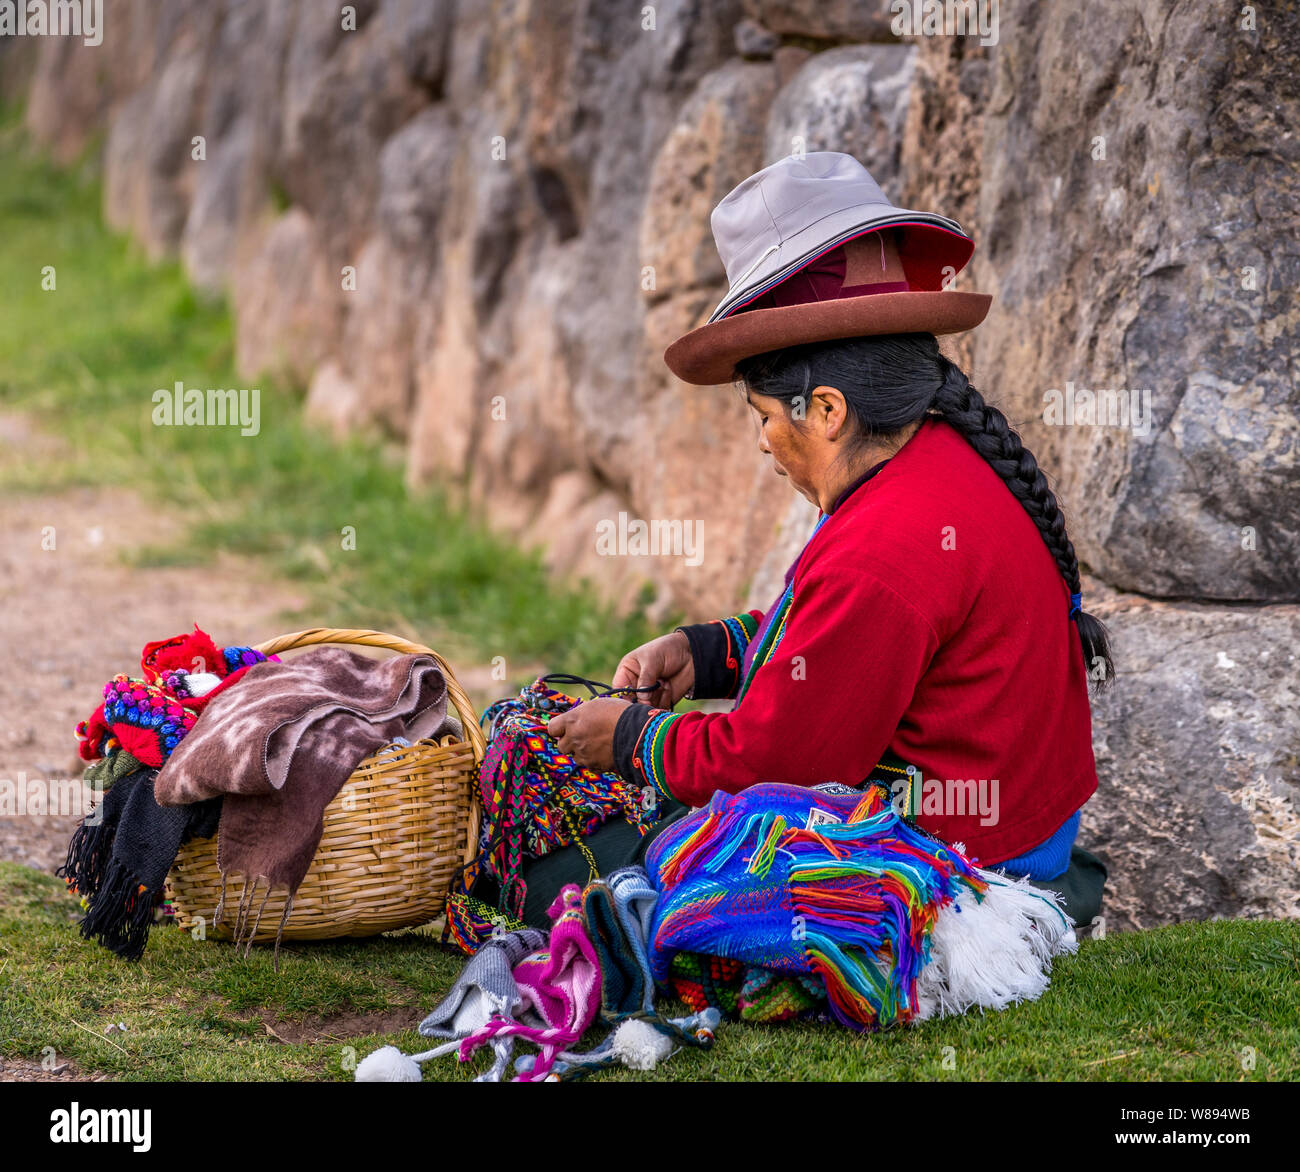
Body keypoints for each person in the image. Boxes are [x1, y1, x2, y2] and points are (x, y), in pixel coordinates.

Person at [541, 151, 1109, 927]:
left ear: (828, 411)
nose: (764, 444)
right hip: (1016, 832)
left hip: (967, 870)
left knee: (564, 876)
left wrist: (637, 741)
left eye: (765, 418)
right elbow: (842, 652)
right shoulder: (937, 461)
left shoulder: (887, 544)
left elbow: (784, 763)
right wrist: (706, 651)